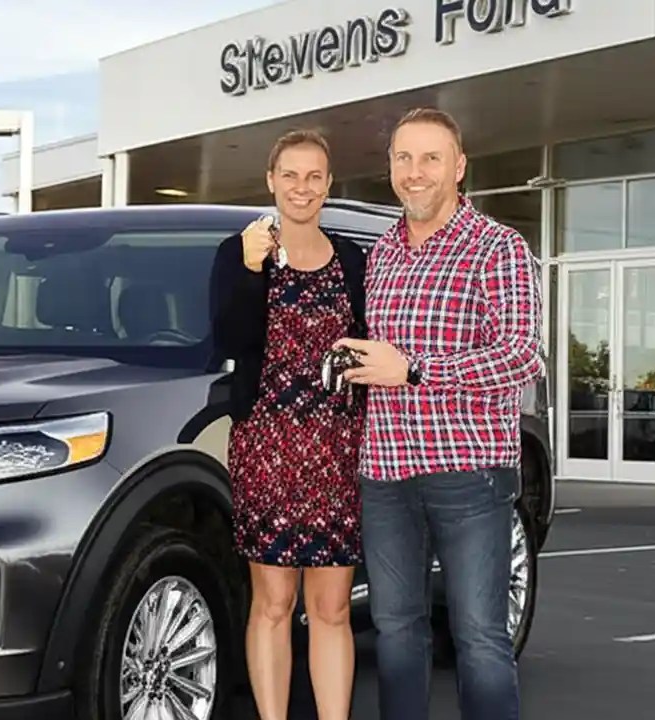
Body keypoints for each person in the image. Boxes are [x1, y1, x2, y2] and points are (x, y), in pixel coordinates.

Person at [334, 107, 544, 720]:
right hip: (385, 473)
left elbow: (521, 355)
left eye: (430, 158)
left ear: (458, 167)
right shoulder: (382, 255)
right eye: (403, 158)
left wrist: (415, 369)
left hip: (469, 474)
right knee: (396, 631)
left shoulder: (498, 248)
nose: (415, 171)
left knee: (479, 637)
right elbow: (380, 359)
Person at [210, 128, 368, 720]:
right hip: (267, 447)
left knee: (332, 607)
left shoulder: (352, 260)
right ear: (271, 181)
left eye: (314, 176)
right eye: (291, 175)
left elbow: (370, 347)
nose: (302, 187)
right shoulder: (239, 252)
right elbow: (230, 341)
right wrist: (252, 268)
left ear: (328, 184)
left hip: (336, 450)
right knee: (273, 603)